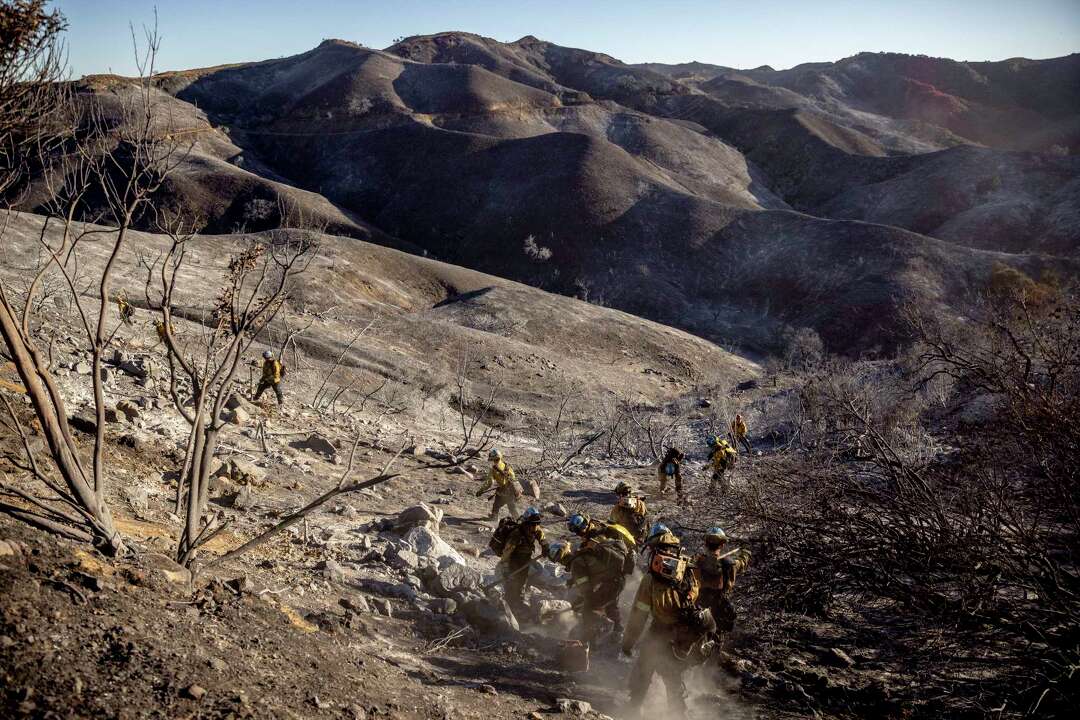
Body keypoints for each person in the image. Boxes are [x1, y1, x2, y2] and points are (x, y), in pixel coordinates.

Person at [621, 526, 715, 718]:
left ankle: (633, 711)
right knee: (672, 677)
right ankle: (677, 714)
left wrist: (628, 643)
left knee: (643, 670)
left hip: (659, 631)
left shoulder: (651, 579)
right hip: (683, 633)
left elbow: (640, 614)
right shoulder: (689, 570)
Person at [549, 537, 629, 643]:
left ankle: (589, 640)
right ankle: (618, 630)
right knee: (609, 604)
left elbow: (587, 590)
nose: (558, 561)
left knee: (588, 609)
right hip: (617, 580)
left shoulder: (576, 564)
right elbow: (593, 577)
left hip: (612, 583)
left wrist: (582, 602)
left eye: (556, 558)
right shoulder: (581, 556)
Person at [693, 526, 751, 640]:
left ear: (705, 543)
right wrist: (746, 551)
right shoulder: (729, 564)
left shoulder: (696, 560)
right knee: (718, 636)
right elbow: (742, 562)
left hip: (697, 604)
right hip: (719, 606)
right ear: (722, 545)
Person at [497, 506, 548, 623]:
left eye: (537, 524)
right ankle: (509, 605)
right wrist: (505, 567)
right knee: (512, 582)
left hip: (525, 559)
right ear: (527, 522)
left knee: (521, 582)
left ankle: (518, 603)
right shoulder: (516, 534)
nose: (536, 527)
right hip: (514, 560)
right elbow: (507, 551)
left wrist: (545, 545)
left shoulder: (535, 529)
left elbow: (541, 536)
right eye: (533, 524)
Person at [477, 448, 522, 520]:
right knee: (512, 507)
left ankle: (494, 518)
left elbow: (490, 482)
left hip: (504, 491)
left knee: (496, 505)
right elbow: (513, 477)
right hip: (513, 490)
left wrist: (481, 490)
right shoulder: (506, 466)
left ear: (492, 459)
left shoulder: (493, 469)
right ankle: (519, 521)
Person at [568, 512, 637, 554]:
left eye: (577, 529)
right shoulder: (596, 526)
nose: (577, 532)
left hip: (620, 558)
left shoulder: (595, 535)